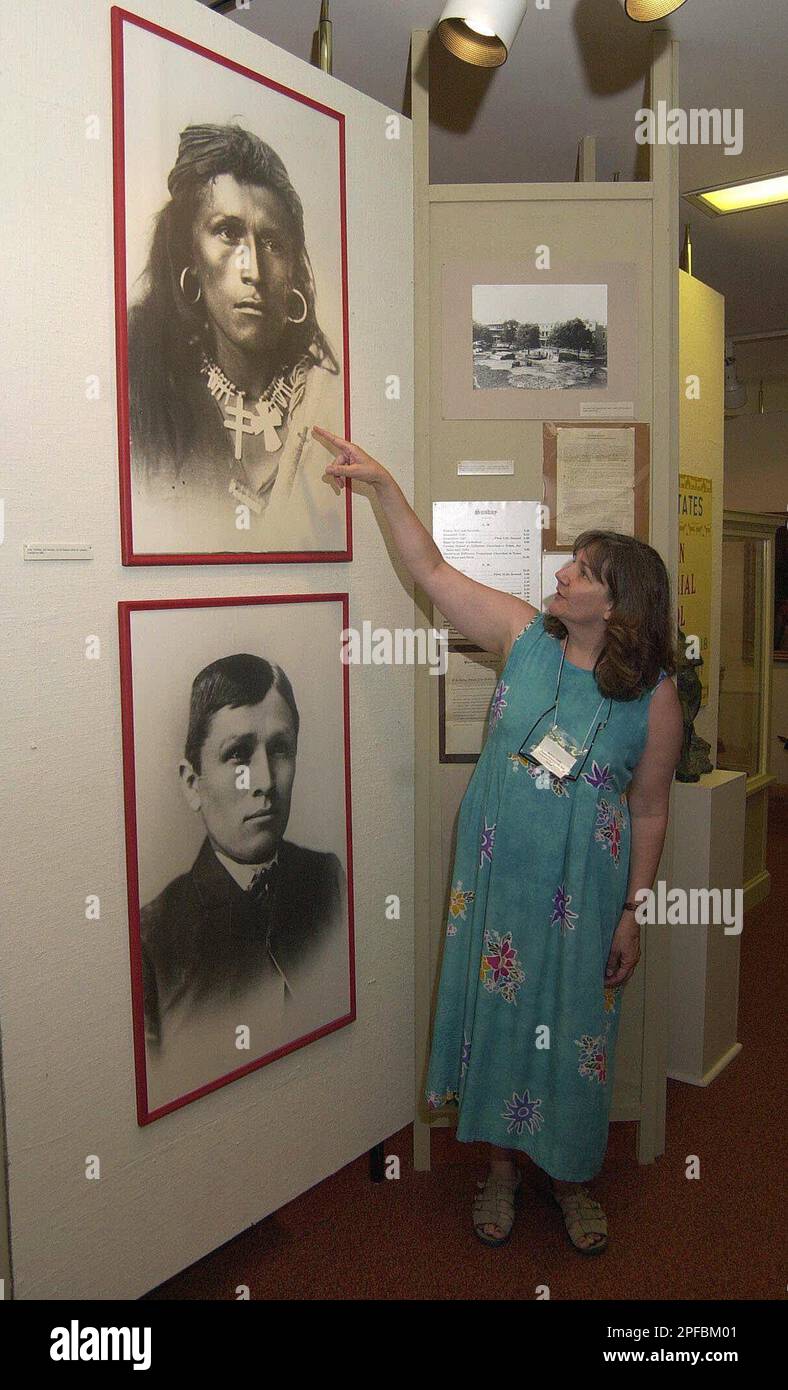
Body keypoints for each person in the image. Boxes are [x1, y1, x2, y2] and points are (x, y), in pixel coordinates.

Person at [312, 423, 683, 1254]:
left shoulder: (654, 698)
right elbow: (431, 570)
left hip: (584, 900)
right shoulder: (522, 638)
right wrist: (381, 486)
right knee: (501, 1020)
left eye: (581, 571)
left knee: (576, 1029)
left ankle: (573, 1178)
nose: (562, 573)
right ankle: (503, 1173)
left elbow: (651, 809)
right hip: (497, 882)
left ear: (617, 604)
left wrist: (633, 913)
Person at [126, 123, 345, 555]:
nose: (254, 271)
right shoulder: (149, 387)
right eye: (227, 232)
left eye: (271, 242)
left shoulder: (326, 399)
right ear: (189, 252)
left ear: (293, 273)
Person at [141, 654, 348, 1106]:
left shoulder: (329, 880)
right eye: (237, 754)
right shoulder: (152, 943)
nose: (265, 781)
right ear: (192, 783)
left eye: (280, 749)